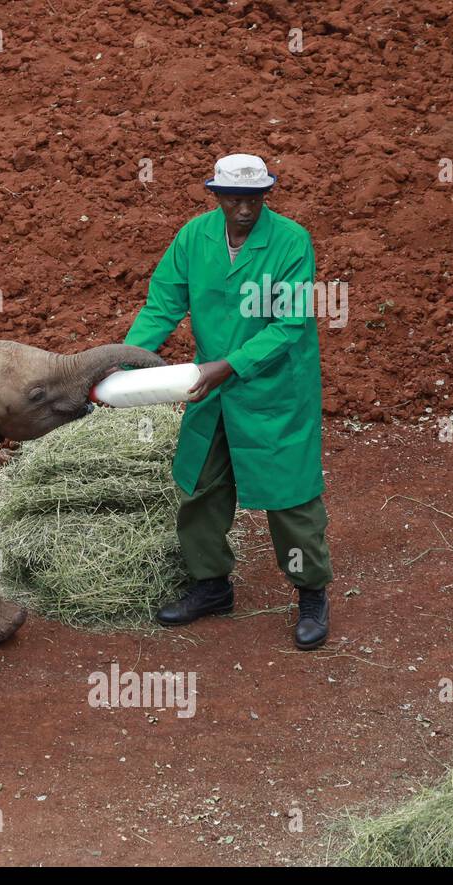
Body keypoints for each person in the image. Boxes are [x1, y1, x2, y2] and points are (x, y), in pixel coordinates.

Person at [123, 153, 332, 650]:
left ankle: (311, 594)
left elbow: (288, 326)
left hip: (273, 390)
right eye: (234, 199)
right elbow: (163, 304)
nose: (244, 210)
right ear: (215, 195)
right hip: (210, 387)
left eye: (254, 199)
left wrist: (229, 366)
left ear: (266, 197)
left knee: (289, 500)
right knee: (202, 487)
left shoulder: (290, 242)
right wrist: (127, 361)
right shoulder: (195, 237)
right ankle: (211, 585)